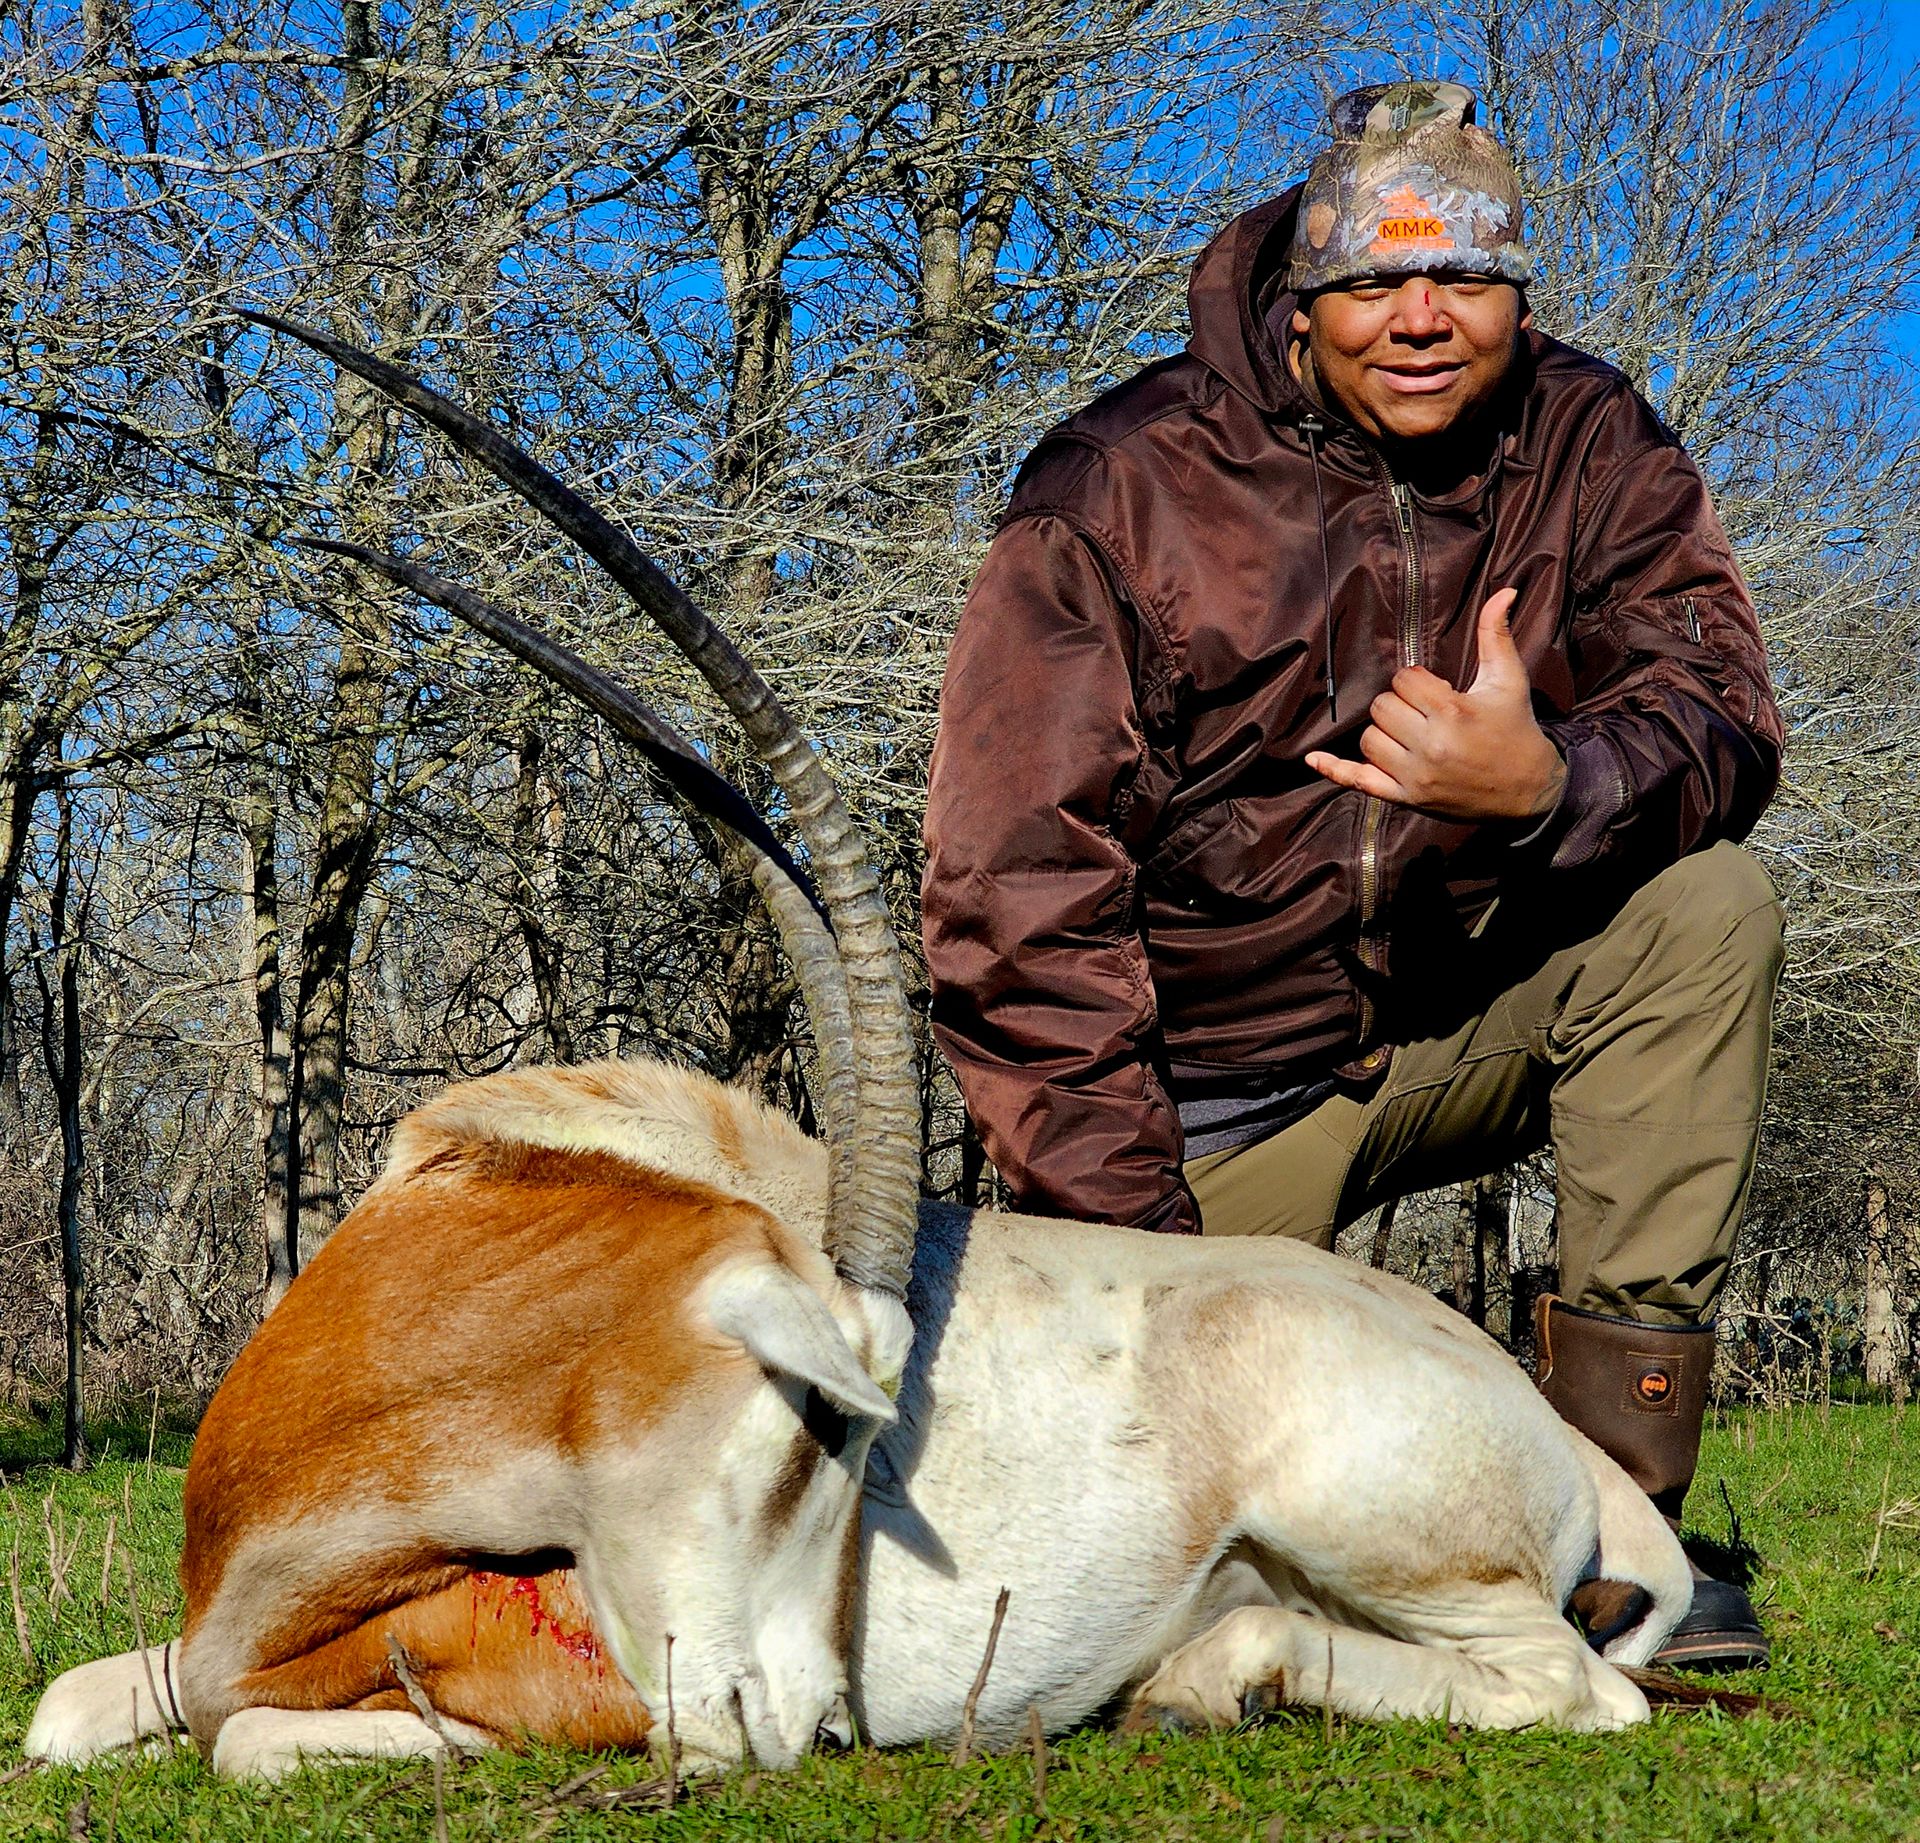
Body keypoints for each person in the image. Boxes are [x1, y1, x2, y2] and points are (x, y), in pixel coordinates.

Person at [921, 81, 1783, 1672]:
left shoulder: (1590, 438)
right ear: (1299, 299)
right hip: (1196, 1119)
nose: (1421, 319)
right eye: (1374, 282)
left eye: (1463, 279)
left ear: (1519, 296)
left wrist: (1551, 787)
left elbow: (1726, 706)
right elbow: (1011, 902)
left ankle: (1617, 1546)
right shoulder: (1118, 488)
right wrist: (1159, 1277)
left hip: (1449, 1026)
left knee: (1707, 912)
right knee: (1170, 1511)